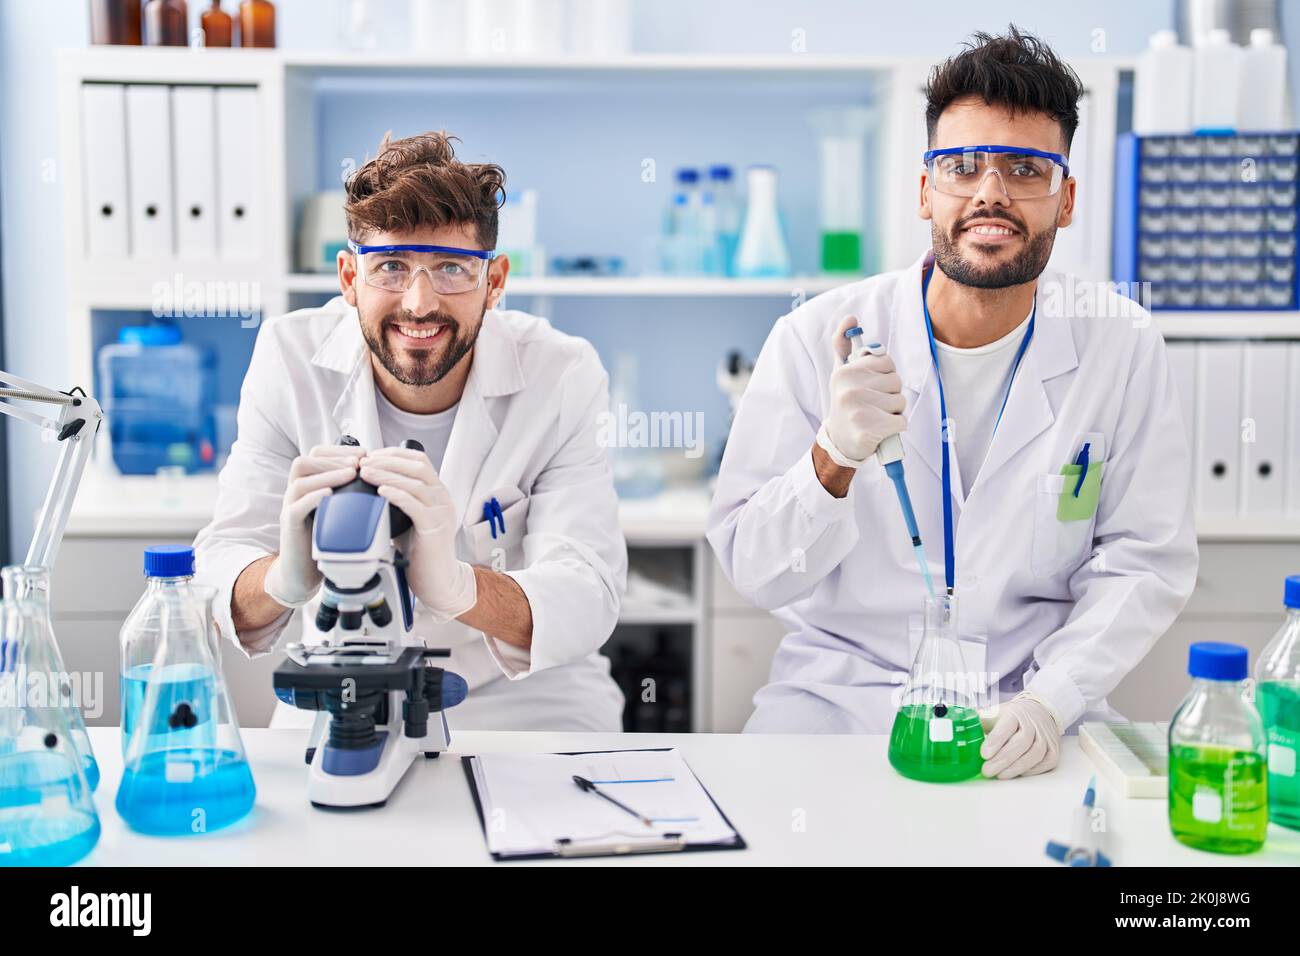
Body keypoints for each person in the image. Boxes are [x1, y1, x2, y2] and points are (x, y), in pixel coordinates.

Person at [707, 27, 1198, 778]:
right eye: (962, 166)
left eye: (1026, 169)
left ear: (1065, 200)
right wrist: (831, 459)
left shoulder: (1123, 347)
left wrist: (1053, 699)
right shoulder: (814, 336)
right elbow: (757, 570)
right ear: (924, 190)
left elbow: (1142, 561)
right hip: (844, 702)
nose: (991, 193)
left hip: (1029, 709)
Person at [193, 131, 626, 731]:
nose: (419, 304)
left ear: (494, 281)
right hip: (342, 679)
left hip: (525, 697)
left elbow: (588, 594)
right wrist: (286, 578)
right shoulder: (288, 356)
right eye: (391, 267)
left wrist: (456, 587)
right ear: (349, 278)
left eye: (451, 268)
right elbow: (215, 577)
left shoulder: (560, 372)